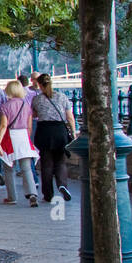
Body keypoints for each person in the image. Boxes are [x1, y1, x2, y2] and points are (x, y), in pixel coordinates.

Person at [31, 73, 76, 204]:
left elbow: (34, 114)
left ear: (39, 85)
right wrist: (73, 132)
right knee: (60, 161)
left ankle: (48, 194)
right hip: (60, 131)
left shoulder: (37, 99)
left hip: (44, 131)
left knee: (46, 164)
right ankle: (62, 185)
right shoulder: (62, 97)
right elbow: (70, 117)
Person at [0, 79, 40, 206]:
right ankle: (32, 194)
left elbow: (4, 125)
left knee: (8, 167)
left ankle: (12, 197)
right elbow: (29, 126)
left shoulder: (5, 106)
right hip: (24, 137)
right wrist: (27, 138)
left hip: (10, 137)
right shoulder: (26, 106)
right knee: (26, 168)